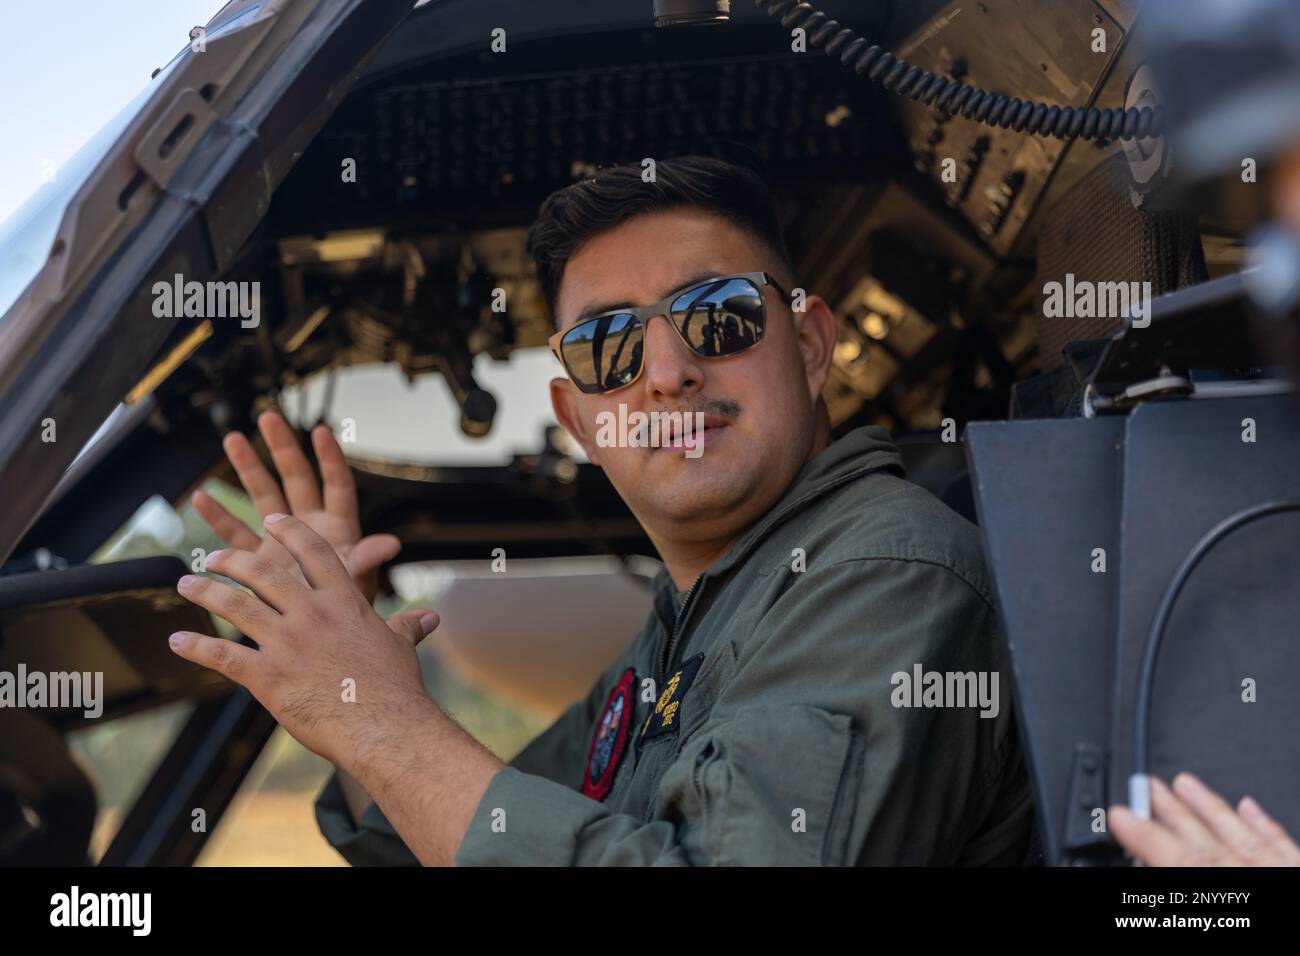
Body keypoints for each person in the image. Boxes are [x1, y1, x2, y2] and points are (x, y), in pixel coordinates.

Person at [169, 155, 1033, 865]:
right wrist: (347, 664)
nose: (665, 372)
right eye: (607, 345)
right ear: (580, 416)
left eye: (717, 315)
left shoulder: (887, 573)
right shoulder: (683, 624)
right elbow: (468, 838)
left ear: (809, 346)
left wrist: (382, 725)